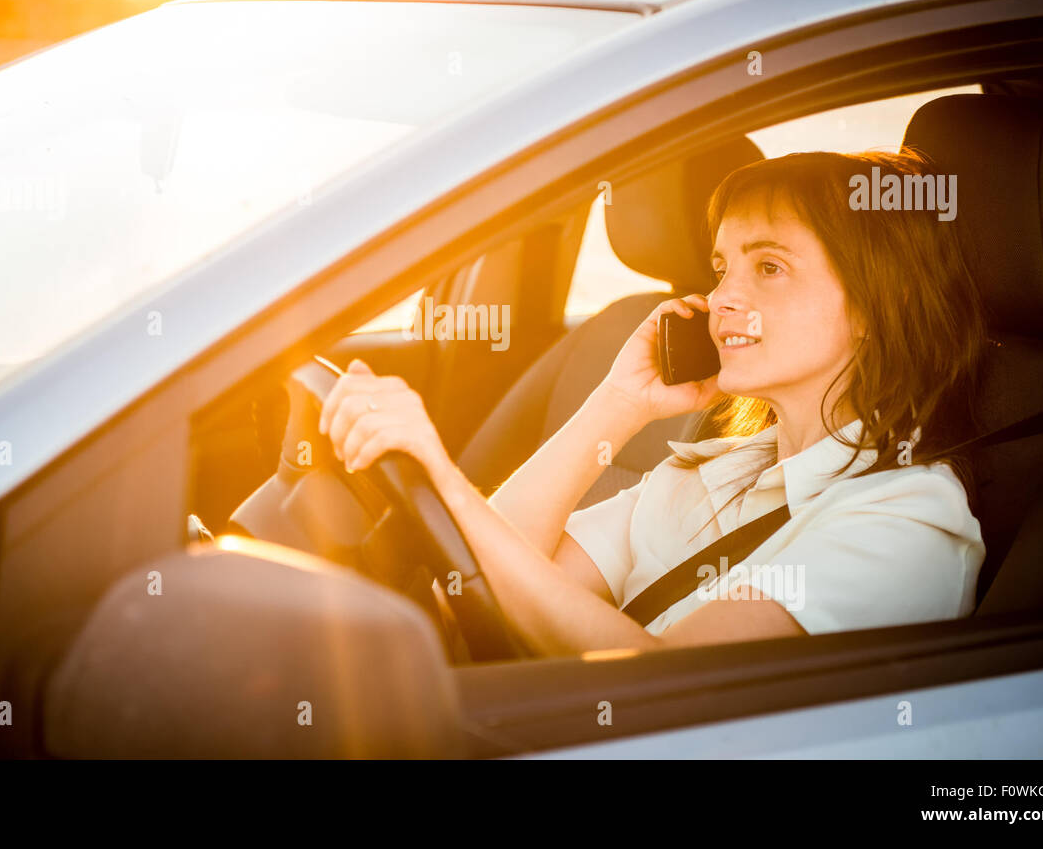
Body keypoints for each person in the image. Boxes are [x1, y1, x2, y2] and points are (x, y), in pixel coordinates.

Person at [318, 148, 988, 657]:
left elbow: (661, 681)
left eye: (770, 266)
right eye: (723, 267)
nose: (723, 296)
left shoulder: (906, 520)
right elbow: (487, 583)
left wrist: (445, 479)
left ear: (875, 307)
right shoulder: (714, 469)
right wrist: (616, 403)